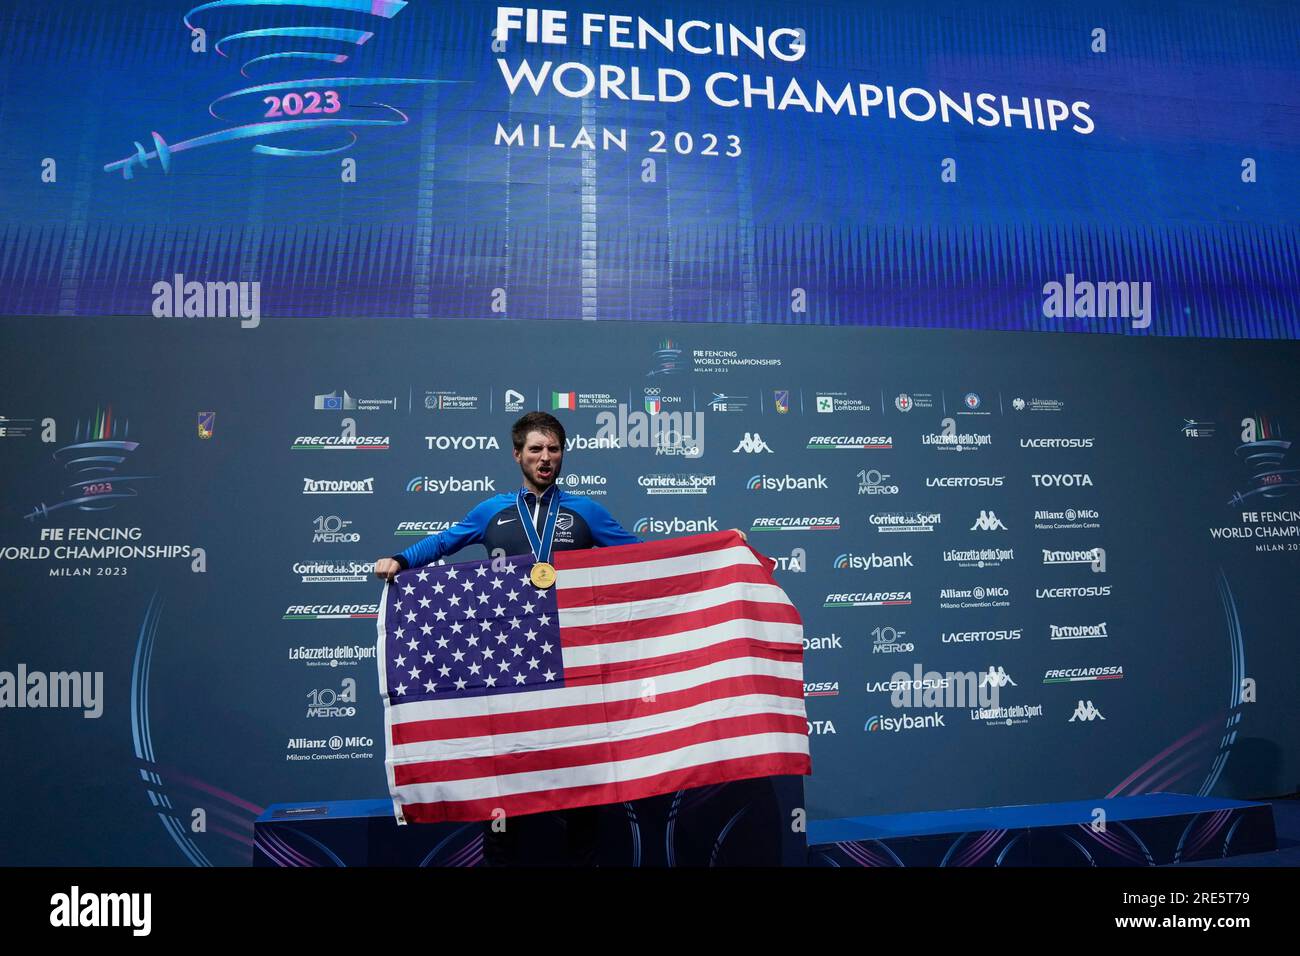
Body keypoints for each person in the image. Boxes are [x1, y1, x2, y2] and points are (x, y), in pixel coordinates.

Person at [373, 410, 640, 866]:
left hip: (572, 665)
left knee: (581, 781)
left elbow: (642, 555)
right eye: (535, 449)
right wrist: (399, 559)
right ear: (517, 454)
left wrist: (716, 550)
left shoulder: (585, 511)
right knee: (502, 783)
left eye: (553, 449)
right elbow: (443, 543)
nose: (545, 457)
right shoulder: (491, 512)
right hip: (508, 666)